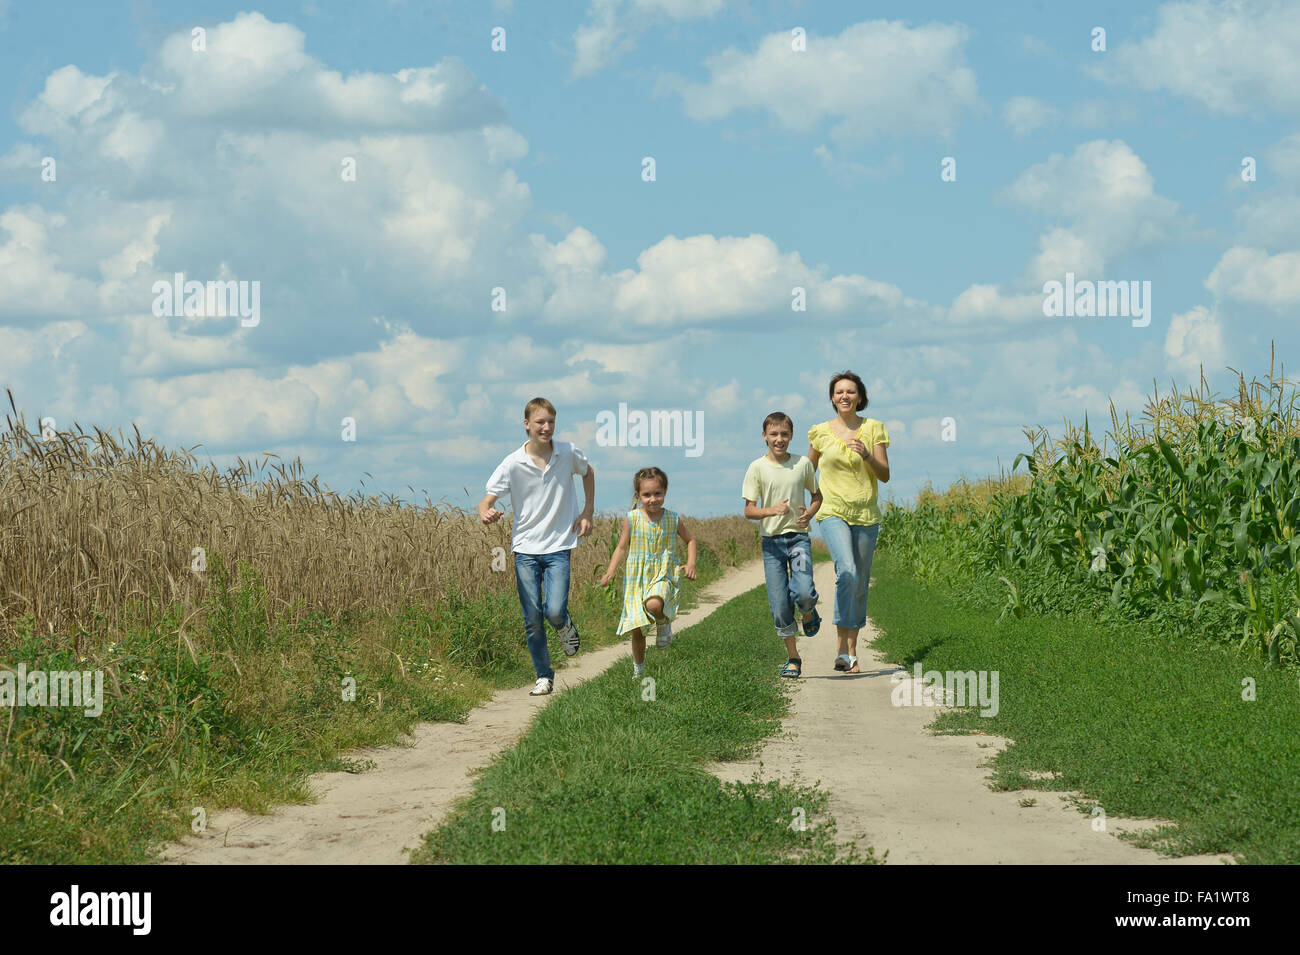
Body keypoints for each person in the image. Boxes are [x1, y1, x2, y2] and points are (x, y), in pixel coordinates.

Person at [479, 397, 595, 696]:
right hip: (525, 548)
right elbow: (487, 500)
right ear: (527, 424)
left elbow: (588, 472)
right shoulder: (512, 463)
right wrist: (486, 512)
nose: (546, 427)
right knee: (532, 617)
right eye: (540, 422)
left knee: (554, 610)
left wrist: (587, 512)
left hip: (559, 545)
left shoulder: (568, 453)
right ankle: (544, 676)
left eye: (551, 422)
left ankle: (563, 623)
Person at [807, 371, 891, 675]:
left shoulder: (873, 428)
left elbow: (884, 474)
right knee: (847, 571)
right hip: (832, 511)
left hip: (866, 514)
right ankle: (840, 649)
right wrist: (803, 503)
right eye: (839, 392)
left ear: (860, 397)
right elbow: (807, 472)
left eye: (851, 392)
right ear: (832, 398)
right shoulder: (819, 432)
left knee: (860, 583)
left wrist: (867, 454)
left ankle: (852, 648)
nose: (845, 396)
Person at [741, 412, 823, 678]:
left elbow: (817, 497)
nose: (779, 439)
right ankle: (793, 658)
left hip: (797, 538)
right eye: (774, 434)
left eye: (784, 434)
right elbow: (749, 511)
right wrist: (771, 511)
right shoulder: (756, 467)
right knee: (779, 605)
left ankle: (809, 612)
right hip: (772, 545)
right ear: (764, 436)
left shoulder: (803, 465)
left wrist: (810, 513)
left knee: (803, 592)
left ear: (791, 436)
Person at [599, 467, 698, 678]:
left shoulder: (672, 518)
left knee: (654, 603)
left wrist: (690, 564)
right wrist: (610, 572)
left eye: (657, 493)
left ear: (665, 492)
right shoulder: (632, 518)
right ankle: (639, 670)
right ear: (638, 496)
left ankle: (663, 623)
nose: (653, 499)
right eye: (647, 495)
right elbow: (621, 547)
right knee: (637, 628)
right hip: (637, 578)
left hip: (663, 572)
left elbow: (690, 540)